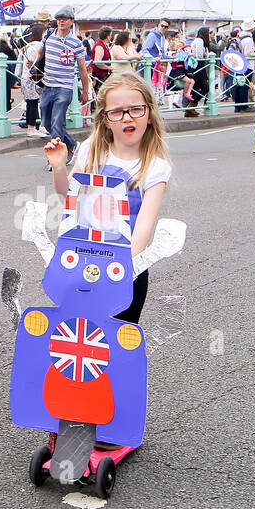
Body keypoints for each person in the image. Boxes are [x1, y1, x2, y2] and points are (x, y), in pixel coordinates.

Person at [44, 70, 171, 325]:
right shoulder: (92, 149)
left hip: (127, 268)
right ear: (105, 119)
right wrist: (59, 166)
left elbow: (145, 224)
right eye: (117, 112)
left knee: (117, 340)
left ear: (149, 114)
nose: (127, 117)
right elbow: (67, 196)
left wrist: (124, 269)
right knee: (77, 336)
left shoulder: (156, 167)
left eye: (136, 109)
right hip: (83, 258)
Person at [39, 6, 93, 161]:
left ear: (71, 21)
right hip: (48, 84)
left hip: (65, 86)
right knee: (46, 122)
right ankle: (73, 144)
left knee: (56, 123)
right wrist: (33, 63)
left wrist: (85, 91)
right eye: (59, 19)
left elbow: (82, 69)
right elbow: (40, 52)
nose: (61, 21)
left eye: (65, 19)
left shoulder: (76, 43)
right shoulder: (49, 35)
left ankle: (56, 158)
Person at [18, 23, 45, 136]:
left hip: (25, 78)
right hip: (33, 78)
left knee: (30, 104)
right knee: (35, 104)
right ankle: (33, 128)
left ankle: (31, 128)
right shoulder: (38, 46)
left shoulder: (27, 46)